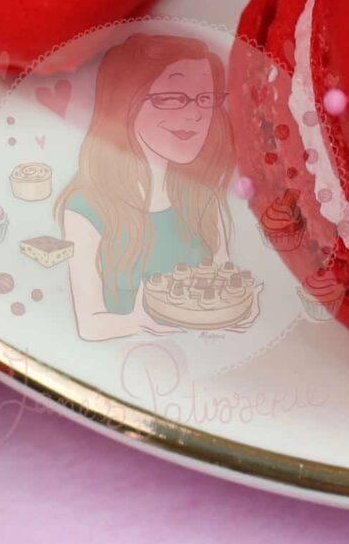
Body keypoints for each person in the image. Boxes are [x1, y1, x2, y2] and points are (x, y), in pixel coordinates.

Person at [57, 28, 235, 342]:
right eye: (172, 97)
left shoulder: (203, 200)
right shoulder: (86, 208)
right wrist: (141, 323)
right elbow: (89, 323)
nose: (195, 114)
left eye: (206, 98)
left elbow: (225, 295)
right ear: (128, 102)